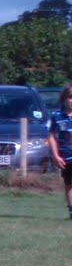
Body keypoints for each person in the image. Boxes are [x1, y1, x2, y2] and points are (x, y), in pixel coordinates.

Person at [47, 83, 72, 219]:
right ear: (64, 99)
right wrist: (56, 156)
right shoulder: (57, 116)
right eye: (70, 97)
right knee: (69, 184)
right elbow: (51, 137)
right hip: (66, 157)